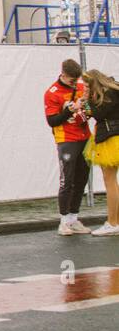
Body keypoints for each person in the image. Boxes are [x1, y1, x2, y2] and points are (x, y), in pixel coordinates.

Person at [45, 58, 91, 235]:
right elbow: (52, 121)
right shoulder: (52, 93)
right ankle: (63, 221)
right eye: (72, 80)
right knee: (67, 180)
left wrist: (86, 106)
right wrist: (70, 110)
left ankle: (74, 218)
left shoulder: (80, 87)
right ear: (63, 75)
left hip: (84, 137)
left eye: (76, 80)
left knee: (82, 179)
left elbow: (87, 111)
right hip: (66, 140)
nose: (75, 84)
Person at [81, 69, 119, 236]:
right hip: (114, 137)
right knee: (113, 182)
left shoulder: (107, 95)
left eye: (87, 86)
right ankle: (114, 221)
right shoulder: (114, 89)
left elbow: (97, 114)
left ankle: (112, 223)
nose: (86, 88)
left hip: (111, 139)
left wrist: (86, 100)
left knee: (110, 181)